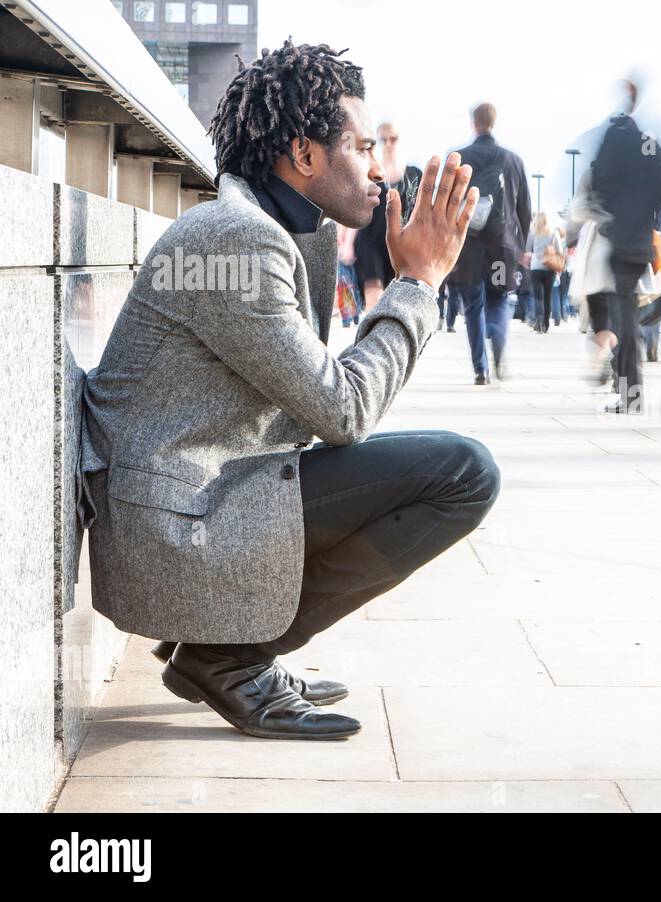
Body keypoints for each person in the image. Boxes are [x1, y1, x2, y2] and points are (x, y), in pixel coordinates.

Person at [79, 42, 498, 740]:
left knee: (444, 468)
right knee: (462, 474)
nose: (378, 169)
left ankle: (233, 645)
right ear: (304, 155)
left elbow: (315, 406)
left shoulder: (271, 232)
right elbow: (342, 411)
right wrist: (418, 285)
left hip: (192, 500)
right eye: (362, 148)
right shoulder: (234, 241)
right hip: (172, 530)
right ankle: (230, 655)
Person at [588, 79, 661, 413]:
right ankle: (628, 390)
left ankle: (631, 394)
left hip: (617, 240)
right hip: (642, 240)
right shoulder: (650, 146)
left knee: (623, 318)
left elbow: (596, 183)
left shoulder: (612, 140)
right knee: (628, 316)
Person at [446, 102, 532, 385]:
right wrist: (520, 245)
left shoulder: (460, 158)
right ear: (494, 122)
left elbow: (448, 203)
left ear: (474, 123)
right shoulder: (513, 160)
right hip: (502, 245)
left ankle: (480, 369)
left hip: (468, 246)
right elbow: (524, 209)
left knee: (472, 307)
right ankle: (496, 332)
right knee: (498, 300)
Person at [351, 121, 422, 312]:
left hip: (402, 246)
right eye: (383, 140)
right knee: (374, 294)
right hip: (370, 241)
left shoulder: (415, 174)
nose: (389, 144)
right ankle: (371, 337)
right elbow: (354, 207)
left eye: (393, 139)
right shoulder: (368, 174)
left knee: (397, 302)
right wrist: (348, 243)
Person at [527, 212, 563, 333]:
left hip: (535, 267)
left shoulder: (532, 233)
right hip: (549, 268)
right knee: (547, 296)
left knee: (538, 296)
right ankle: (546, 324)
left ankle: (539, 321)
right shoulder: (554, 233)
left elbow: (527, 250)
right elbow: (560, 251)